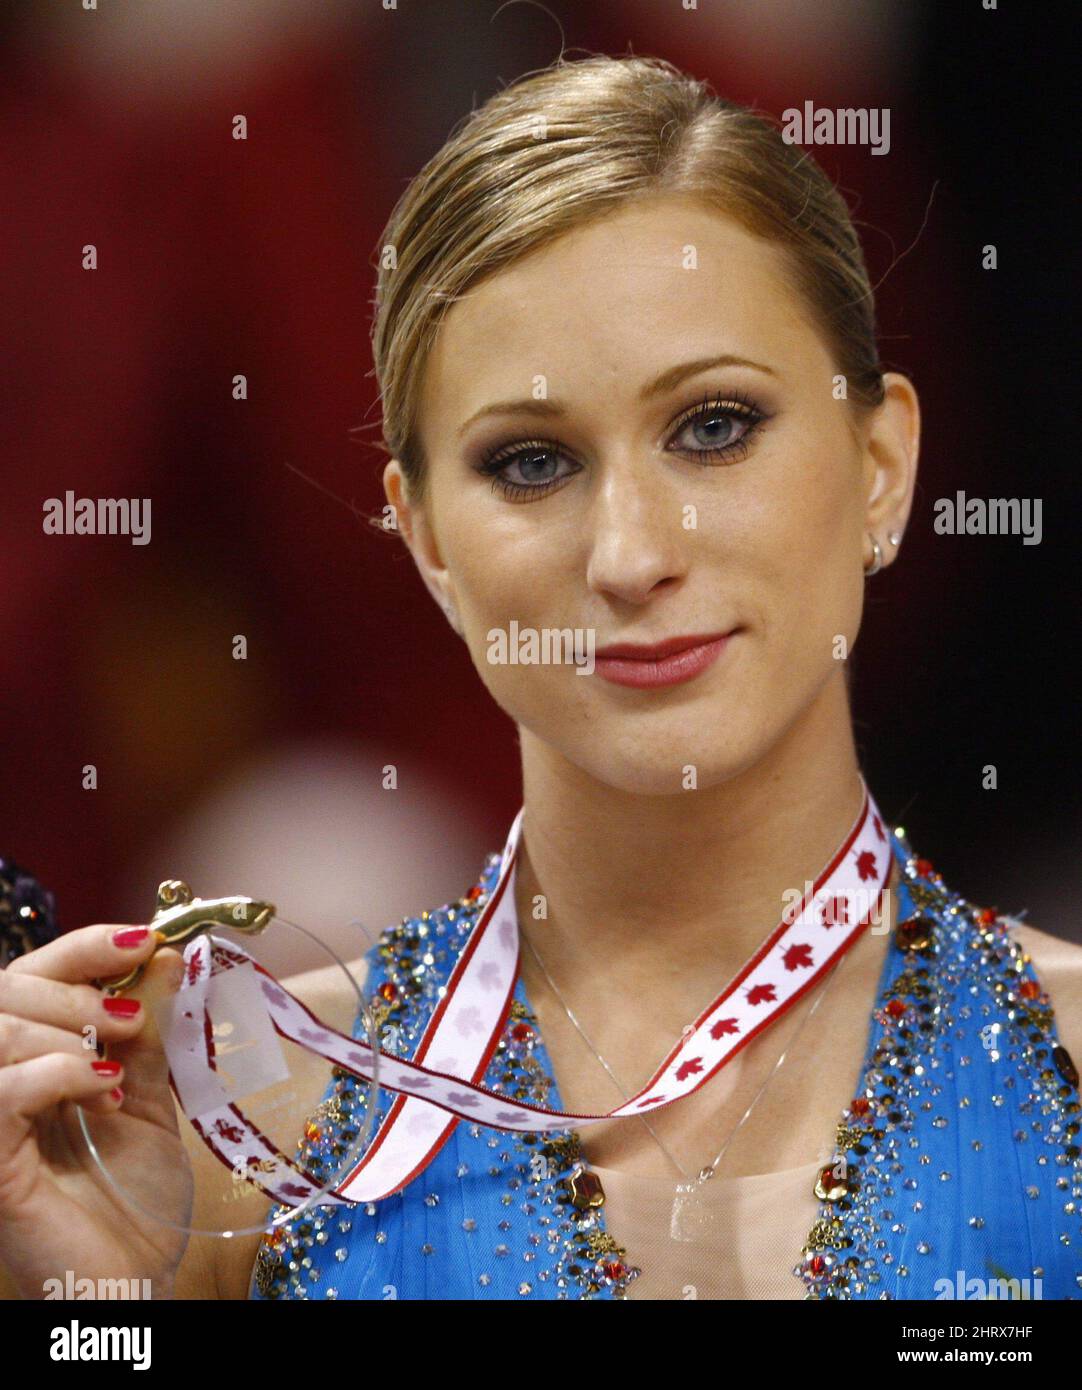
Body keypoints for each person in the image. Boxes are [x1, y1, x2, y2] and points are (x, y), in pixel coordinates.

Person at [1, 53, 1079, 1303]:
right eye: (528, 462)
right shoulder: (249, 1113)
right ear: (426, 542)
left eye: (714, 427)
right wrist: (87, 1311)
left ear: (881, 464)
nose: (629, 554)